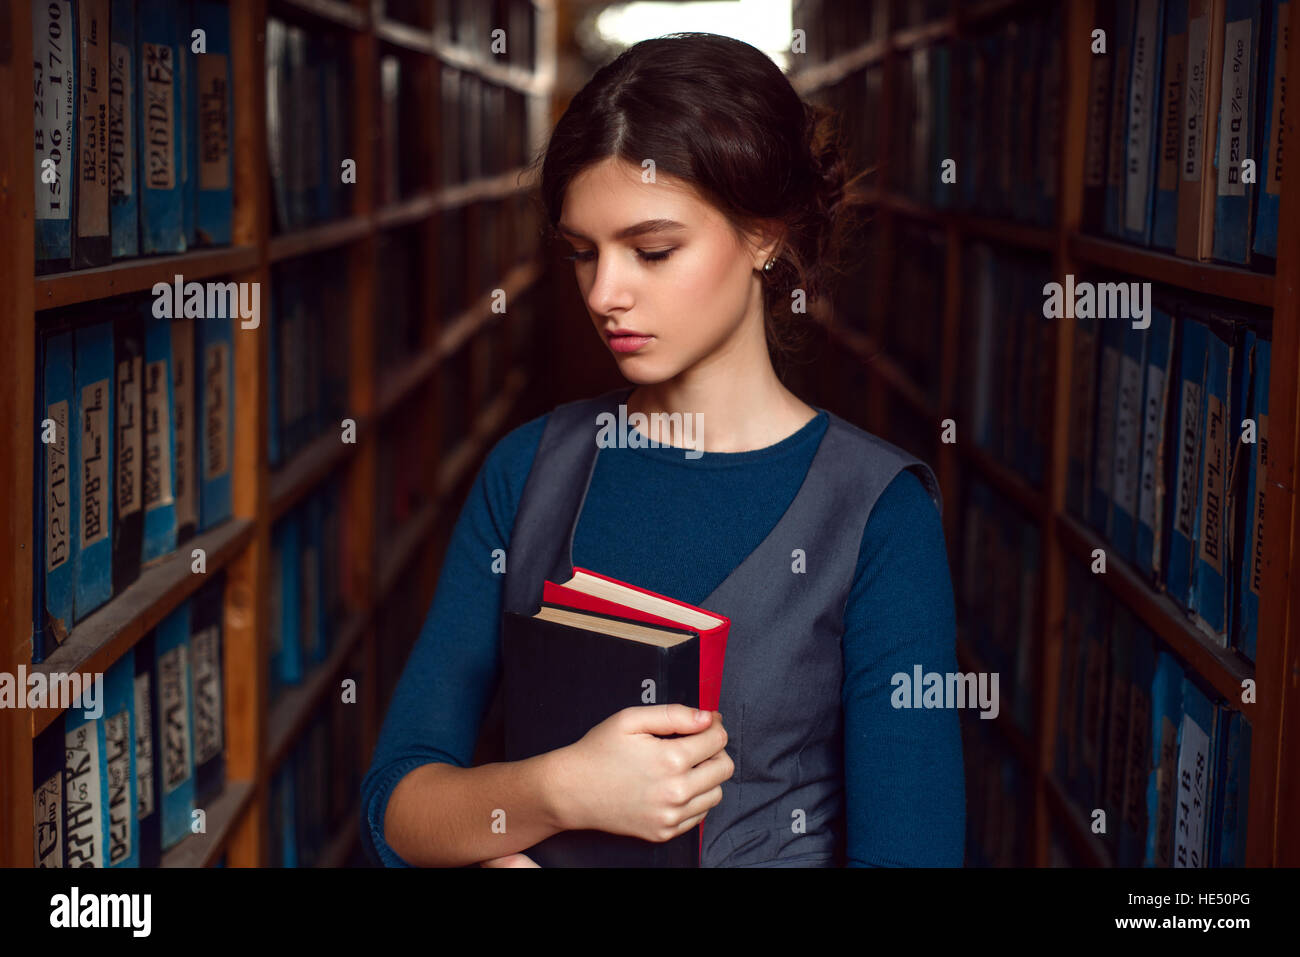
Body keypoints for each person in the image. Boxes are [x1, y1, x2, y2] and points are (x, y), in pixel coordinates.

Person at [360, 32, 964, 868]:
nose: (606, 294)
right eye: (581, 253)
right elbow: (396, 804)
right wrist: (558, 788)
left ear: (764, 235)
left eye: (652, 250)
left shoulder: (877, 516)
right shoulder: (528, 472)